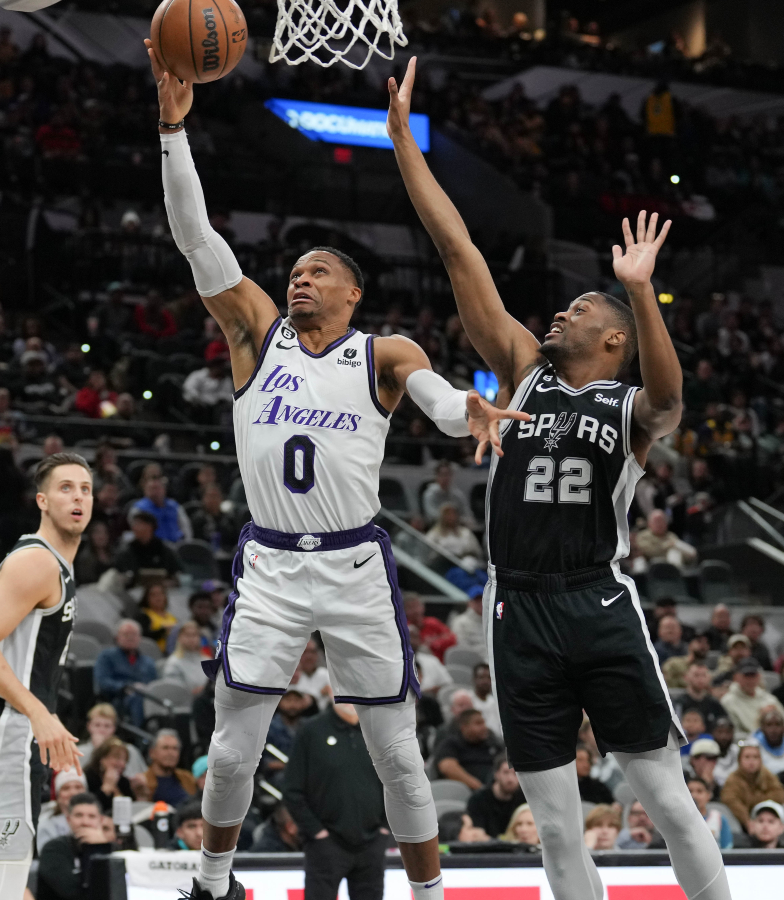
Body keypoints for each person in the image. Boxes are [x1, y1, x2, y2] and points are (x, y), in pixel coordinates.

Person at [149, 45, 532, 900]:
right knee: (232, 744)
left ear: (352, 294)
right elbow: (198, 242)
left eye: (317, 272)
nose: (299, 278)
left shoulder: (382, 350)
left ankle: (429, 895)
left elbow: (430, 392)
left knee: (397, 751)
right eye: (295, 270)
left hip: (355, 562)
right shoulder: (256, 332)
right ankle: (213, 886)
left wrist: (464, 409)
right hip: (274, 563)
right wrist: (174, 131)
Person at [390, 58, 731, 900]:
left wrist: (640, 293)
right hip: (516, 605)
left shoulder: (628, 404)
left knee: (668, 800)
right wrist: (403, 143)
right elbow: (458, 249)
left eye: (580, 311)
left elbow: (671, 395)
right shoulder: (521, 369)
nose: (560, 314)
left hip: (599, 602)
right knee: (553, 822)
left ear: (612, 339)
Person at [0, 453, 91, 899]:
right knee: (3, 888)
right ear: (42, 501)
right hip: (4, 729)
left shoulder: (56, 565)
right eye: (65, 488)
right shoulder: (37, 563)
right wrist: (39, 713)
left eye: (84, 488)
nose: (78, 496)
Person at [282, 703, 390, 900]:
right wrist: (317, 832)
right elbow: (292, 790)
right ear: (332, 689)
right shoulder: (311, 731)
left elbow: (397, 785)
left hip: (372, 844)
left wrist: (384, 828)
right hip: (326, 846)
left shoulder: (379, 730)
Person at [34, 795, 115, 900]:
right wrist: (98, 848)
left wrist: (101, 847)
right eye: (78, 815)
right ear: (68, 819)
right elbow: (73, 893)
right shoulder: (54, 849)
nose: (85, 822)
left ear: (100, 820)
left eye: (92, 816)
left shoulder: (109, 847)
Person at [93, 620, 158, 725]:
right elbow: (102, 681)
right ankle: (140, 737)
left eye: (134, 634)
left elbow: (155, 684)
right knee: (137, 699)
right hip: (117, 699)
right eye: (126, 634)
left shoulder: (148, 662)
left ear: (140, 638)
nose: (130, 637)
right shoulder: (106, 656)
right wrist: (126, 687)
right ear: (117, 637)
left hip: (146, 698)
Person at [432, 710, 506, 791]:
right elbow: (447, 767)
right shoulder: (451, 744)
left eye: (484, 722)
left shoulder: (493, 743)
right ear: (464, 727)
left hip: (497, 791)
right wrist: (479, 787)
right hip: (465, 792)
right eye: (478, 723)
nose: (484, 727)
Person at [720, 740, 784, 830]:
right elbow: (731, 801)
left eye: (755, 757)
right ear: (740, 760)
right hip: (741, 824)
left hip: (765, 817)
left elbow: (779, 794)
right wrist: (747, 821)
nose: (751, 761)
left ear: (760, 760)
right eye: (747, 757)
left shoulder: (767, 775)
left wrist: (757, 804)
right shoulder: (733, 779)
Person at [467, 754, 526, 839]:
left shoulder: (524, 799)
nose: (510, 779)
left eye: (515, 773)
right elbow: (478, 835)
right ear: (496, 774)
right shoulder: (477, 800)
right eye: (505, 772)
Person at [134, 728, 196, 805]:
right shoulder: (143, 781)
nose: (171, 753)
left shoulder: (188, 778)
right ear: (152, 753)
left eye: (175, 748)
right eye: (165, 748)